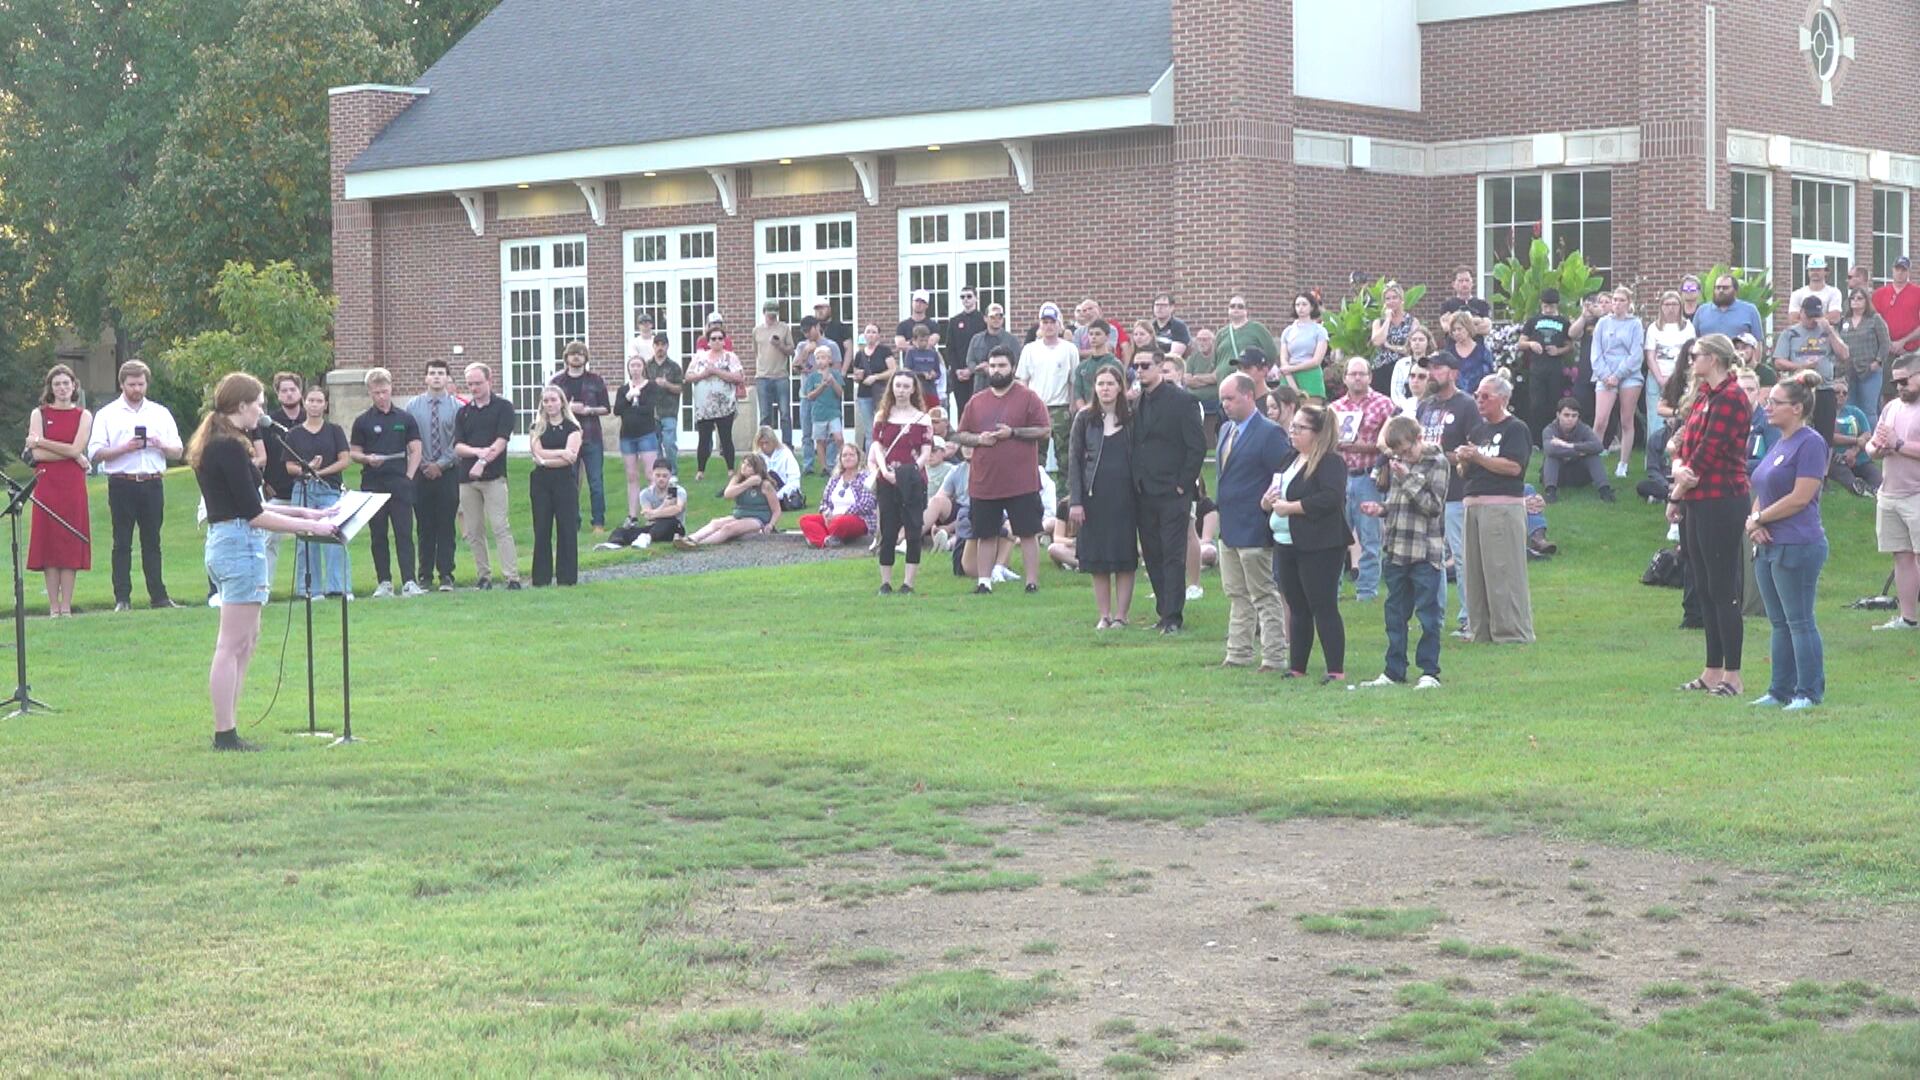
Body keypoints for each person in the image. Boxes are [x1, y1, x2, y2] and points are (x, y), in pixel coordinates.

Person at [189, 372, 339, 750]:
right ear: (240, 405)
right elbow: (253, 514)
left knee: (247, 640)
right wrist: (313, 528)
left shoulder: (224, 443)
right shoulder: (227, 446)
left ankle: (231, 726)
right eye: (257, 402)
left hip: (236, 542)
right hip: (239, 545)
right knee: (231, 643)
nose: (262, 409)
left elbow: (252, 507)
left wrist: (310, 516)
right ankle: (225, 734)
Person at [1669, 335, 1753, 694]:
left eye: (1697, 355)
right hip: (1696, 497)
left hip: (1722, 497)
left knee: (1722, 587)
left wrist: (1679, 485)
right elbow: (1682, 442)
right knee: (1702, 586)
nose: (1692, 360)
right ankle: (1711, 669)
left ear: (1715, 359)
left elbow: (1708, 452)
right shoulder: (1704, 395)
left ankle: (1733, 674)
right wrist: (1677, 470)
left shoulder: (1732, 398)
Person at [1746, 374, 1829, 709]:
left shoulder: (1810, 442)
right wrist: (1753, 523)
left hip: (1797, 543)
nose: (1768, 407)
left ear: (1796, 408)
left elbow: (1801, 497)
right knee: (1778, 621)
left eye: (1775, 402)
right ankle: (1779, 689)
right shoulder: (1780, 441)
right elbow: (1762, 487)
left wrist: (1762, 519)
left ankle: (1808, 692)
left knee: (1799, 620)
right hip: (1767, 544)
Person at [1357, 415, 1447, 689]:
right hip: (1396, 549)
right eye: (1398, 453)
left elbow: (1433, 507)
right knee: (1395, 614)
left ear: (1419, 439)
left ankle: (1429, 672)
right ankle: (1393, 670)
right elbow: (1398, 503)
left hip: (1424, 550)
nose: (1403, 457)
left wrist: (1407, 478)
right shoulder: (1398, 462)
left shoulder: (1436, 462)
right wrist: (1381, 509)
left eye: (1407, 451)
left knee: (1428, 615)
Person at [86, 359, 183, 611]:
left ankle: (159, 596)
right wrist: (124, 448)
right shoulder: (107, 414)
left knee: (152, 541)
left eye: (141, 384)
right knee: (122, 541)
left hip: (152, 482)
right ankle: (122, 598)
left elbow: (178, 450)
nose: (137, 389)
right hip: (122, 482)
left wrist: (159, 443)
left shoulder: (160, 413)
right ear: (122, 384)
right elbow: (95, 452)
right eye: (132, 384)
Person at [956, 345, 1051, 594]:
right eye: (993, 365)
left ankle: (1031, 582)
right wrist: (979, 440)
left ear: (1013, 367)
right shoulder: (976, 401)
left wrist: (1013, 433)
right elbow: (960, 434)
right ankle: (984, 582)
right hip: (985, 482)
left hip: (1021, 481)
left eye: (1002, 365)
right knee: (985, 534)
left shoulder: (1028, 397)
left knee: (1028, 533)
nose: (996, 370)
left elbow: (1043, 429)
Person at [1263, 404, 1348, 682]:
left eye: (1300, 428)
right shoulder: (1289, 459)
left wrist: (1293, 507)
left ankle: (1335, 669)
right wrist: (1267, 503)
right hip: (1285, 542)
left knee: (1322, 606)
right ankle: (1297, 666)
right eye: (1293, 426)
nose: (1293, 432)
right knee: (1297, 607)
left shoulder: (1330, 462)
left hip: (1320, 544)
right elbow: (1275, 493)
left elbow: (1330, 498)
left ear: (1318, 433)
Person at [1213, 373, 1291, 670]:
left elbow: (1280, 477)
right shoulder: (1224, 430)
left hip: (1255, 526)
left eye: (1230, 398)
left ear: (1248, 395)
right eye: (1222, 399)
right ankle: (1238, 653)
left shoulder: (1270, 433)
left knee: (1263, 594)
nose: (1225, 405)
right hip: (1230, 526)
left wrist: (1267, 511)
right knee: (1236, 593)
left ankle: (1273, 656)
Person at [1130, 341, 1207, 633]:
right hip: (1144, 491)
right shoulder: (1137, 403)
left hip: (1173, 491)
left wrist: (1182, 485)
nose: (1139, 370)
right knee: (1151, 553)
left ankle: (1174, 616)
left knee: (1173, 552)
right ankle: (1163, 611)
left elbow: (1197, 447)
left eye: (1145, 365)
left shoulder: (1182, 401)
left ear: (1161, 366)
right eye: (1136, 366)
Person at [1456, 375, 1534, 644]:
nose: (1479, 400)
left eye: (1485, 396)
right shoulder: (1478, 431)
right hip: (1473, 505)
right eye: (1477, 395)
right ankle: (1480, 630)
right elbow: (1469, 470)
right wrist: (1465, 461)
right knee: (1474, 574)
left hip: (1501, 506)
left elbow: (1514, 467)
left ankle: (1511, 632)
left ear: (1503, 398)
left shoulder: (1516, 429)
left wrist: (1478, 456)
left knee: (1503, 571)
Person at [1069, 366, 1137, 628]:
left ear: (1120, 386)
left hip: (1125, 498)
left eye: (1110, 383)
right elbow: (1074, 462)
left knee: (1124, 557)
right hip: (1093, 498)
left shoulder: (1131, 418)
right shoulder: (1084, 419)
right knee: (1098, 560)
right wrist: (1075, 500)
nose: (1105, 388)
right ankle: (1104, 615)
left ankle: (1121, 615)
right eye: (1100, 384)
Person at [1416, 351, 1480, 632]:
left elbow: (1476, 449)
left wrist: (1441, 456)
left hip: (1456, 492)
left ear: (1454, 372)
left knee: (1463, 557)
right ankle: (1434, 618)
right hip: (1426, 492)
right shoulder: (1425, 406)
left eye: (1438, 368)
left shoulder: (1467, 405)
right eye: (1429, 368)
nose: (1431, 373)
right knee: (1432, 559)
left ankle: (1470, 618)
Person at [24, 364, 92, 617]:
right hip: (46, 484)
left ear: (74, 386)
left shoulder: (84, 415)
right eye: (57, 384)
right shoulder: (38, 414)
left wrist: (42, 441)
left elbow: (76, 448)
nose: (62, 388)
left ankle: (67, 606)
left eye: (66, 383)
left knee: (69, 541)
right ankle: (54, 607)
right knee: (49, 543)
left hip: (73, 486)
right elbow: (37, 455)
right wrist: (69, 453)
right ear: (50, 388)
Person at [349, 368, 423, 598]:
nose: (382, 396)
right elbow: (354, 453)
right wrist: (367, 459)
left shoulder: (404, 418)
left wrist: (409, 477)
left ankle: (409, 581)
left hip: (399, 483)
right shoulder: (363, 421)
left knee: (404, 532)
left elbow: (416, 450)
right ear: (370, 393)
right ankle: (384, 581)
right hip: (373, 484)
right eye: (377, 392)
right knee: (378, 534)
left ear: (391, 388)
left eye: (385, 391)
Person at [452, 362, 521, 590]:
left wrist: (482, 461)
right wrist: (477, 452)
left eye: (478, 383)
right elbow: (458, 446)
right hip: (467, 480)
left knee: (500, 526)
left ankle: (512, 576)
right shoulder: (463, 412)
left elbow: (501, 441)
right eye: (470, 384)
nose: (474, 388)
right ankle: (484, 576)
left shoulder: (503, 407)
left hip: (494, 477)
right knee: (473, 530)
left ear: (489, 381)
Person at [1331, 357, 1395, 602]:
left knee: (1370, 537)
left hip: (1369, 477)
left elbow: (1391, 443)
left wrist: (1363, 447)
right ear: (1345, 377)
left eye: (1362, 374)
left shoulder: (1385, 405)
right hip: (1340, 477)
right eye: (1353, 374)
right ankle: (1332, 590)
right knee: (1336, 537)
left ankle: (1366, 592)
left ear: (1370, 377)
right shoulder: (1335, 408)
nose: (1357, 378)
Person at [1866, 353, 1920, 631]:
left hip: (1917, 494)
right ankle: (1908, 619)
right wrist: (1877, 449)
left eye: (1905, 381)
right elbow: (1872, 444)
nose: (1899, 387)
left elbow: (1900, 443)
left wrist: (1898, 444)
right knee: (1901, 555)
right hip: (1890, 493)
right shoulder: (1892, 408)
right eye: (1895, 382)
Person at [284, 385, 351, 598]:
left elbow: (344, 460)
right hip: (303, 489)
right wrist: (308, 470)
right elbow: (289, 466)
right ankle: (310, 590)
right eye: (311, 400)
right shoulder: (294, 433)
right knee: (306, 540)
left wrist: (320, 471)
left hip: (328, 488)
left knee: (334, 537)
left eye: (319, 401)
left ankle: (338, 588)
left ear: (326, 404)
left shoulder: (334, 430)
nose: (314, 405)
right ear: (305, 403)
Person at [868, 372, 932, 594]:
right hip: (887, 479)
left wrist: (912, 471)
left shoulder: (922, 419)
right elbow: (877, 446)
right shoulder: (882, 417)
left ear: (913, 389)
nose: (902, 390)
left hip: (913, 480)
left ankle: (908, 583)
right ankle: (885, 582)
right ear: (891, 388)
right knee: (888, 529)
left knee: (914, 530)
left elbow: (926, 451)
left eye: (906, 386)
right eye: (898, 386)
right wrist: (884, 471)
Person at [406, 357, 462, 590]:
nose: (437, 377)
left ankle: (446, 574)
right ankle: (425, 575)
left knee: (446, 525)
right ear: (425, 377)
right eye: (432, 373)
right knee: (424, 525)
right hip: (421, 472)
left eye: (441, 373)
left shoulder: (458, 407)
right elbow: (410, 440)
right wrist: (423, 464)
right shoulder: (412, 406)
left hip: (448, 472)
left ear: (448, 377)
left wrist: (441, 464)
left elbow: (459, 440)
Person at [550, 340, 611, 532]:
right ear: (566, 357)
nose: (576, 357)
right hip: (567, 439)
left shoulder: (596, 380)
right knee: (570, 482)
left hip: (592, 436)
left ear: (585, 358)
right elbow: (547, 407)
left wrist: (588, 410)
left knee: (596, 481)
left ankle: (598, 523)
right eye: (572, 353)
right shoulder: (557, 382)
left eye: (580, 354)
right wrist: (568, 407)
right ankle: (572, 523)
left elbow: (606, 408)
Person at [524, 385, 582, 587]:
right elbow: (536, 452)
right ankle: (541, 578)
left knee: (566, 528)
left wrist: (549, 460)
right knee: (541, 528)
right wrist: (559, 453)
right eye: (545, 401)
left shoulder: (572, 428)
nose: (549, 404)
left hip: (565, 482)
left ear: (562, 402)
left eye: (553, 400)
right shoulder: (536, 427)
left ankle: (567, 578)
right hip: (541, 483)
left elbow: (571, 458)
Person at [1015, 302, 1078, 477]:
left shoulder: (1070, 349)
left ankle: (1065, 496)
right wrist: (1024, 407)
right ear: (1040, 325)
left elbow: (1073, 381)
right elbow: (1023, 381)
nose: (1049, 326)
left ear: (1059, 324)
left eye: (1052, 322)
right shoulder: (1030, 349)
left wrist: (1072, 406)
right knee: (1035, 457)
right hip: (1036, 408)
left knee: (1065, 456)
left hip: (1060, 408)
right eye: (1045, 322)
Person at [256, 372, 307, 586]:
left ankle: (307, 587)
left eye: (292, 389)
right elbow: (261, 456)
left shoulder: (310, 419)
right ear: (277, 395)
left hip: (306, 489)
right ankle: (264, 587)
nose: (288, 394)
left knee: (307, 542)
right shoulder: (268, 423)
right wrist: (264, 483)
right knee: (269, 541)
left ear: (300, 391)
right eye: (284, 390)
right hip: (278, 490)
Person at [1589, 287, 1645, 477]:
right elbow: (1596, 352)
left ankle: (1623, 464)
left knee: (1626, 420)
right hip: (1605, 373)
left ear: (1629, 303)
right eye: (1614, 300)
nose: (1617, 303)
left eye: (1621, 300)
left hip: (1628, 374)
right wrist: (1605, 375)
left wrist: (1619, 374)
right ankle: (1592, 463)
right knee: (1600, 420)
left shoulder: (1635, 324)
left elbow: (1636, 354)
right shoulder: (1603, 323)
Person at [677, 453, 781, 549]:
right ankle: (691, 538)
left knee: (728, 528)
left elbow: (776, 510)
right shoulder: (737, 479)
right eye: (743, 463)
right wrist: (747, 484)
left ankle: (700, 544)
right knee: (716, 523)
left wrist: (770, 525)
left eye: (749, 465)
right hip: (739, 515)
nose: (744, 467)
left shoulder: (765, 485)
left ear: (757, 469)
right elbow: (728, 495)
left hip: (758, 519)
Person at [1518, 289, 1578, 436]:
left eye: (1551, 307)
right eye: (1545, 306)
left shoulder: (1563, 322)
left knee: (1554, 402)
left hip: (1555, 367)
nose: (1548, 309)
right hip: (1537, 367)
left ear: (1557, 305)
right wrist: (1531, 344)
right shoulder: (1533, 321)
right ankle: (1536, 437)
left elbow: (1570, 346)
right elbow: (1521, 343)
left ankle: (1554, 434)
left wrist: (1558, 351)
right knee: (1536, 403)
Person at [688, 326, 745, 480]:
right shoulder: (699, 357)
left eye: (720, 338)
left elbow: (739, 377)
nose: (717, 341)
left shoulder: (730, 357)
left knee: (726, 438)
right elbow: (688, 377)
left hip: (725, 405)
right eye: (713, 338)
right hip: (704, 406)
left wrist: (717, 372)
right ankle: (700, 471)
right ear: (708, 341)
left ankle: (731, 469)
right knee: (704, 439)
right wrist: (704, 374)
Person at [1643, 291, 1696, 451]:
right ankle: (1653, 456)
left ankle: (1676, 452)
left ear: (1680, 307)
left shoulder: (1687, 327)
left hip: (1681, 379)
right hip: (1657, 378)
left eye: (1674, 304)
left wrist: (1676, 378)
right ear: (1661, 307)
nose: (1671, 308)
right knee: (1655, 417)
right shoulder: (1654, 328)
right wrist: (1660, 378)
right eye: (1667, 305)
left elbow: (1692, 352)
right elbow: (1650, 355)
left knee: (1679, 416)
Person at [615, 351, 662, 524]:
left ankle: (653, 514)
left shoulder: (651, 387)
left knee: (650, 473)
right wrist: (628, 398)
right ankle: (632, 515)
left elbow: (649, 409)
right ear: (628, 368)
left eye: (638, 365)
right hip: (627, 436)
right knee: (632, 475)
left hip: (646, 434)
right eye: (632, 365)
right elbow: (617, 410)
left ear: (643, 368)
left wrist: (632, 407)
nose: (635, 369)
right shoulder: (623, 389)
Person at [800, 443, 876, 548]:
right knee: (805, 520)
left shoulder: (866, 477)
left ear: (858, 457)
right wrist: (826, 514)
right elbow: (824, 502)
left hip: (857, 518)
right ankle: (826, 541)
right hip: (832, 517)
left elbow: (866, 504)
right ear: (840, 459)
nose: (848, 458)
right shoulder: (835, 478)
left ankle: (818, 538)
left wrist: (841, 515)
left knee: (839, 523)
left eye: (851, 455)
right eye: (844, 455)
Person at [1540, 398, 1615, 502]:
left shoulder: (1583, 428)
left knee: (1593, 456)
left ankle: (1605, 491)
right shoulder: (1549, 429)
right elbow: (1550, 449)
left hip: (1579, 474)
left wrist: (1569, 446)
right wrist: (1580, 451)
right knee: (1552, 457)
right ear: (1558, 415)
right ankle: (1550, 493)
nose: (1570, 419)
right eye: (1566, 415)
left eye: (1574, 415)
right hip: (1558, 474)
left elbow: (1598, 446)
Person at [1838, 285, 1893, 413]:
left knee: (1869, 409)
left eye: (1859, 298)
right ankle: (1853, 433)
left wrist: (1878, 362)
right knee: (1849, 408)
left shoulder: (1875, 319)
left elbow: (1885, 343)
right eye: (1853, 298)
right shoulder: (1844, 320)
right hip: (1848, 371)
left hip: (1870, 371)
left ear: (1866, 301)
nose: (1855, 301)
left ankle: (1871, 433)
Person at [752, 301, 795, 449]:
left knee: (784, 414)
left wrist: (780, 345)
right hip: (762, 377)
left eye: (774, 313)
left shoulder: (784, 328)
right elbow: (756, 352)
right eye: (769, 313)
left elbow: (791, 351)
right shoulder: (757, 330)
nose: (771, 316)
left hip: (781, 376)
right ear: (764, 312)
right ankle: (765, 446)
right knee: (765, 416)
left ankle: (788, 446)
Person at [1774, 296, 1848, 382]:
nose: (1813, 320)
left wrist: (1829, 331)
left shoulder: (1828, 331)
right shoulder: (1790, 333)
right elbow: (1779, 362)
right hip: (1799, 386)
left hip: (1825, 386)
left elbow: (1844, 355)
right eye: (1809, 316)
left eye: (1816, 316)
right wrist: (1802, 366)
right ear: (1801, 312)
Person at [1370, 282, 1423, 396]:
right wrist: (1387, 320)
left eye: (1394, 298)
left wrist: (1389, 346)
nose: (1391, 301)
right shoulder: (1379, 322)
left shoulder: (1412, 322)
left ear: (1401, 300)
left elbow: (1410, 348)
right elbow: (1377, 341)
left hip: (1404, 367)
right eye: (1388, 299)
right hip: (1382, 367)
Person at [641, 332, 684, 473]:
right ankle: (660, 473)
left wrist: (667, 384)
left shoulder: (674, 367)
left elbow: (680, 389)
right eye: (657, 344)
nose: (660, 348)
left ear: (667, 346)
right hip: (651, 411)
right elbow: (641, 386)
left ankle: (672, 472)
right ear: (653, 346)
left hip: (669, 411)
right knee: (655, 445)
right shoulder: (646, 366)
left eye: (663, 345)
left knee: (669, 443)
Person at [1828, 379, 1880, 495]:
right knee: (1847, 478)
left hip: (1860, 458)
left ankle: (1872, 490)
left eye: (1844, 393)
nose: (1841, 395)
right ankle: (1861, 490)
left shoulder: (1855, 412)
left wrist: (1853, 451)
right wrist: (1856, 440)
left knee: (1878, 479)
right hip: (1838, 459)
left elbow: (1867, 434)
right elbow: (1830, 437)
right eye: (1837, 392)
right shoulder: (1825, 413)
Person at [1216, 294, 1279, 387]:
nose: (1236, 309)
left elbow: (1271, 353)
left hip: (1249, 384)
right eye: (1232, 306)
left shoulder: (1257, 328)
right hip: (1224, 384)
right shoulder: (1221, 333)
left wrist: (1260, 374)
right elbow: (1216, 360)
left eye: (1240, 307)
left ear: (1246, 311)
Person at [849, 322, 894, 450]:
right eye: (868, 332)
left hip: (881, 393)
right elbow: (857, 374)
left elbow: (892, 370)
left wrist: (876, 377)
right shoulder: (860, 354)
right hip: (864, 395)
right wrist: (858, 377)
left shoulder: (884, 351)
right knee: (870, 431)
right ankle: (871, 461)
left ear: (878, 335)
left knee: (883, 425)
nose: (870, 335)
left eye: (874, 332)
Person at [801, 345, 845, 474]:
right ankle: (824, 467)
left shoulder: (835, 374)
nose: (820, 361)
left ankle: (843, 462)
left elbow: (840, 393)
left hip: (833, 413)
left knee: (838, 438)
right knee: (820, 440)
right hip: (818, 414)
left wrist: (833, 382)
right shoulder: (812, 377)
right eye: (818, 358)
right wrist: (822, 386)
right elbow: (810, 396)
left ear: (829, 360)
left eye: (823, 358)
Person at [1277, 292, 1329, 400]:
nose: (1300, 308)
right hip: (1289, 378)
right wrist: (1293, 385)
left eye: (1304, 304)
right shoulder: (1288, 331)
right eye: (1297, 305)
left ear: (1312, 307)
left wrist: (1293, 368)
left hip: (1310, 376)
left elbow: (1316, 361)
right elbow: (1284, 360)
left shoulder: (1320, 331)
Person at [1873, 256, 1920, 368]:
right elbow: (1873, 323)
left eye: (1903, 270)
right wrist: (1887, 343)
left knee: (1910, 384)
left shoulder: (1917, 293)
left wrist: (1903, 341)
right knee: (1886, 385)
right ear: (1892, 270)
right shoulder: (1879, 294)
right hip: (1885, 351)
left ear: (1908, 272)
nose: (1900, 273)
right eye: (1897, 269)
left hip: (1911, 351)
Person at [946, 288, 987, 415]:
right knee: (962, 410)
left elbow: (986, 347)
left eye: (969, 296)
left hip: (978, 374)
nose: (966, 300)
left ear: (976, 298)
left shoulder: (983, 320)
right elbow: (950, 348)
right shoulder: (954, 321)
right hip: (959, 375)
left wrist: (971, 369)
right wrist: (957, 369)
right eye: (962, 297)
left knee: (979, 408)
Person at [1070, 320, 1127, 413]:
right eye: (1091, 334)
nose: (1093, 337)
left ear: (1107, 337)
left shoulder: (1115, 364)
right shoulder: (1082, 367)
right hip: (1087, 414)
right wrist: (1085, 411)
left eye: (1097, 334)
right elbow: (1078, 394)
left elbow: (1122, 392)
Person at [1185, 328, 1230, 442]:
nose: (1201, 343)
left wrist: (1197, 377)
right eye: (1199, 340)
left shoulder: (1219, 356)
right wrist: (1206, 378)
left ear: (1213, 341)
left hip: (1213, 401)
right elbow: (1187, 380)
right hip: (1194, 401)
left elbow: (1215, 378)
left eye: (1205, 340)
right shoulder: (1192, 358)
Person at [629, 460, 687, 548]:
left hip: (674, 527)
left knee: (669, 522)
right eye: (658, 475)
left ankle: (647, 537)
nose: (661, 479)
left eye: (664, 476)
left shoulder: (679, 491)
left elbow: (677, 509)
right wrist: (664, 505)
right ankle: (613, 543)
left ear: (670, 476)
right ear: (653, 475)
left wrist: (653, 513)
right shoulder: (645, 493)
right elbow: (647, 516)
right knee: (624, 531)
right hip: (652, 526)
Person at [1693, 274, 1765, 342]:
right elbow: (1693, 340)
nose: (1721, 291)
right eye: (1718, 287)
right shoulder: (1702, 311)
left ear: (1735, 290)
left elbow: (1757, 342)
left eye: (1725, 288)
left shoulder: (1750, 310)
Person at [1441, 313, 1494, 396]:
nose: (1456, 333)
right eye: (1453, 330)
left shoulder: (1483, 352)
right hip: (1455, 400)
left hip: (1478, 399)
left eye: (1459, 329)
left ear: (1468, 328)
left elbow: (1491, 378)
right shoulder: (1449, 353)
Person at [1438, 266, 1493, 340]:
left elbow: (1487, 328)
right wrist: (1477, 320)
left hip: (1478, 349)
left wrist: (1456, 322)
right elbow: (1446, 327)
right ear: (1453, 284)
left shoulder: (1482, 305)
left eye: (1467, 280)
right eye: (1461, 281)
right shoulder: (1446, 305)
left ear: (1472, 283)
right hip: (1453, 349)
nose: (1464, 284)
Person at [755, 426, 803, 510]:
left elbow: (794, 482)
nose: (764, 446)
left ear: (773, 442)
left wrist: (776, 496)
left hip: (782, 491)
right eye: (761, 443)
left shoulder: (785, 453)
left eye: (767, 443)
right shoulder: (757, 456)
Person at [901, 322, 943, 407]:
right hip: (916, 391)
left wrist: (934, 374)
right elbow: (907, 372)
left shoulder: (933, 353)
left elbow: (938, 372)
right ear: (914, 340)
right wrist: (922, 374)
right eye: (921, 340)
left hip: (931, 390)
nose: (924, 343)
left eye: (926, 340)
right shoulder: (911, 353)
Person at [1150, 293, 1191, 358]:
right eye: (1157, 305)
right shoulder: (1150, 326)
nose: (1159, 308)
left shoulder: (1179, 326)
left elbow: (1174, 355)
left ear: (1172, 308)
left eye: (1164, 305)